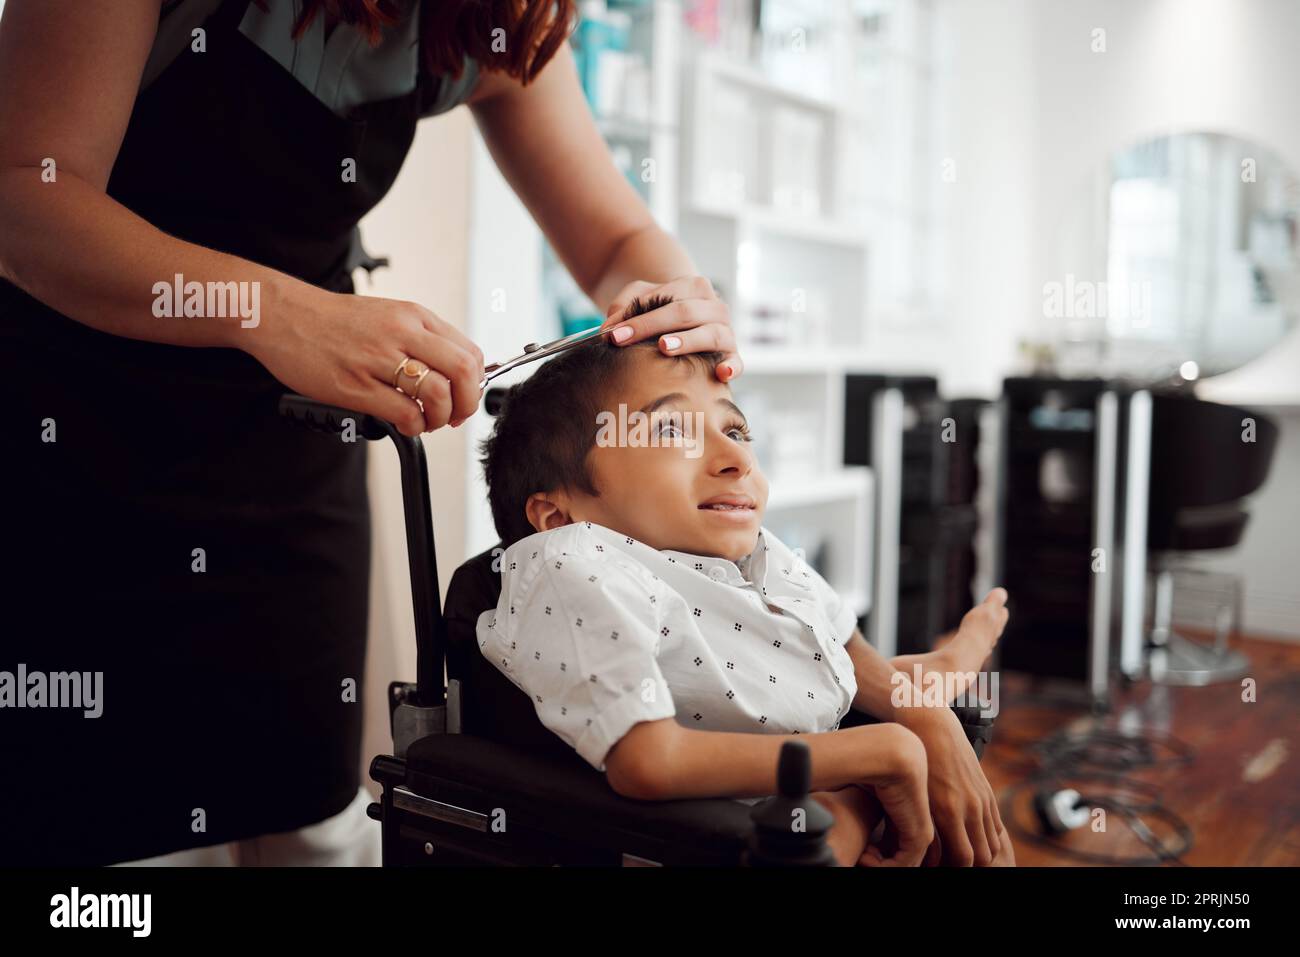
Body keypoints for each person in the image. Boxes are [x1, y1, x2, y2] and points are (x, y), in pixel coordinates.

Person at [0, 0, 737, 866]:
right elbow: (24, 199)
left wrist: (674, 293)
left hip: (291, 459)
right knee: (97, 828)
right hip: (81, 442)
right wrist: (274, 313)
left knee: (307, 804)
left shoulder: (497, 22)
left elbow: (615, 238)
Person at [475, 295, 1016, 866]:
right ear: (559, 517)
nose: (736, 456)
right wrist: (871, 758)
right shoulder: (574, 564)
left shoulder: (755, 553)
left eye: (735, 428)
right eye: (670, 431)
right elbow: (647, 760)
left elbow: (861, 670)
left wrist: (940, 683)